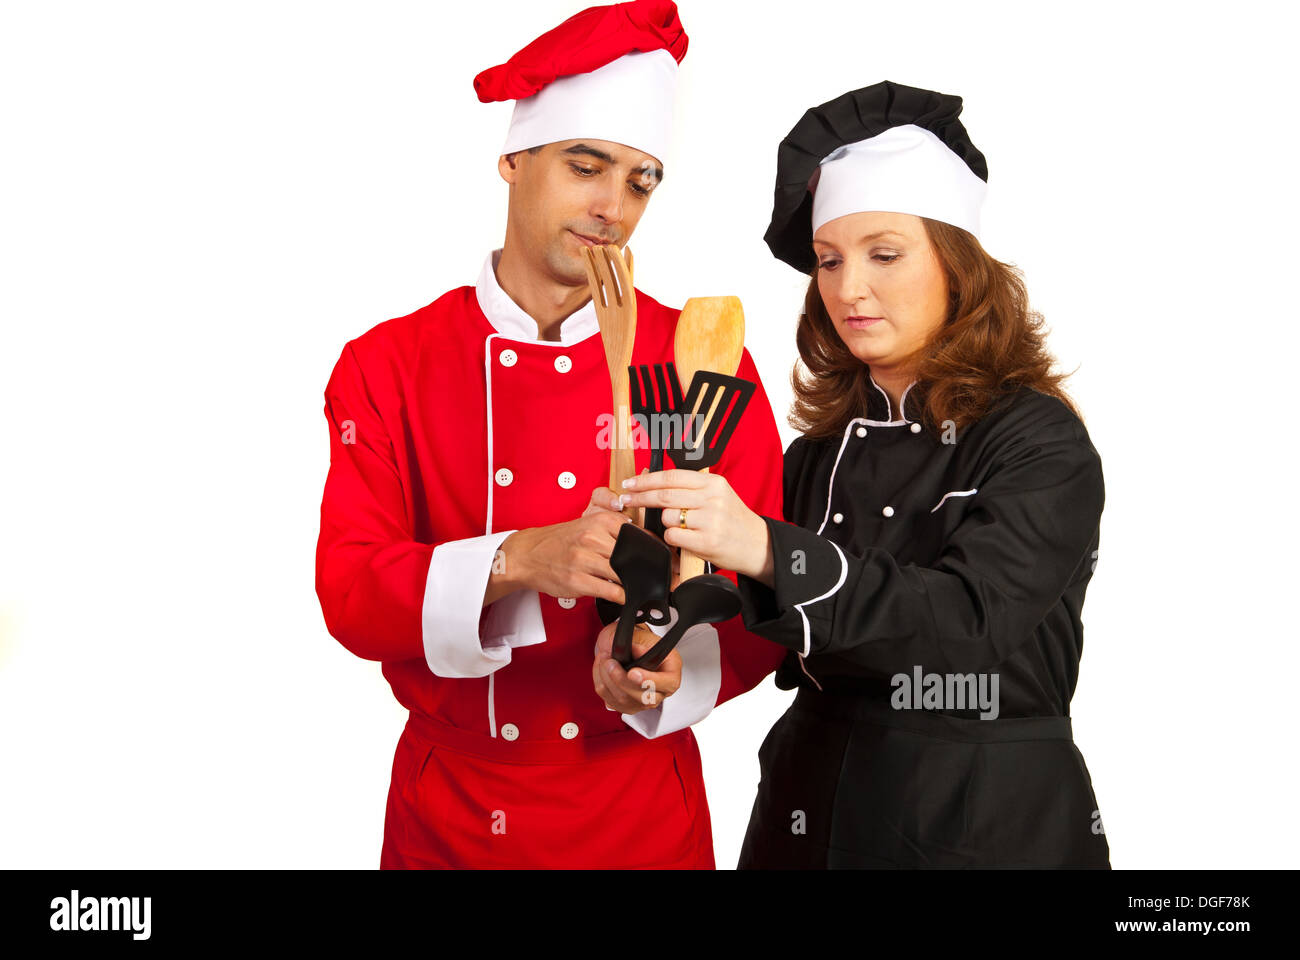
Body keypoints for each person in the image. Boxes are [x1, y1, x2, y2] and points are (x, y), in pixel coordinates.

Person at [313, 0, 785, 869]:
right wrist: (521, 556)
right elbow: (349, 589)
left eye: (642, 180)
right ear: (513, 159)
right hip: (452, 814)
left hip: (639, 812)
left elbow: (762, 596)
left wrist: (666, 667)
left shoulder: (699, 360)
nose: (613, 206)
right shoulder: (388, 365)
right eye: (585, 165)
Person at [617, 80, 1111, 868]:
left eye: (885, 254)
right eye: (828, 261)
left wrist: (770, 548)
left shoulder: (1038, 441)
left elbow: (968, 628)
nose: (849, 288)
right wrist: (657, 603)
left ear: (958, 264)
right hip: (808, 803)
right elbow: (747, 621)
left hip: (983, 813)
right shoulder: (817, 451)